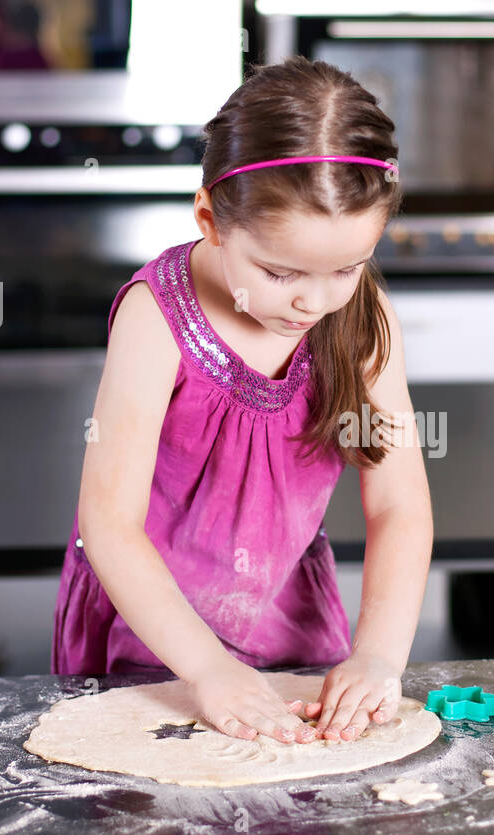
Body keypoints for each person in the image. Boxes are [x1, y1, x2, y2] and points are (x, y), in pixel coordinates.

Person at [52, 56, 433, 748]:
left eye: (346, 269)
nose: (312, 302)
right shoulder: (156, 316)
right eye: (280, 272)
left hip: (288, 622)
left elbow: (399, 506)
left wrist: (379, 656)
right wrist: (207, 670)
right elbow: (108, 524)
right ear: (212, 220)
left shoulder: (362, 318)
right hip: (154, 634)